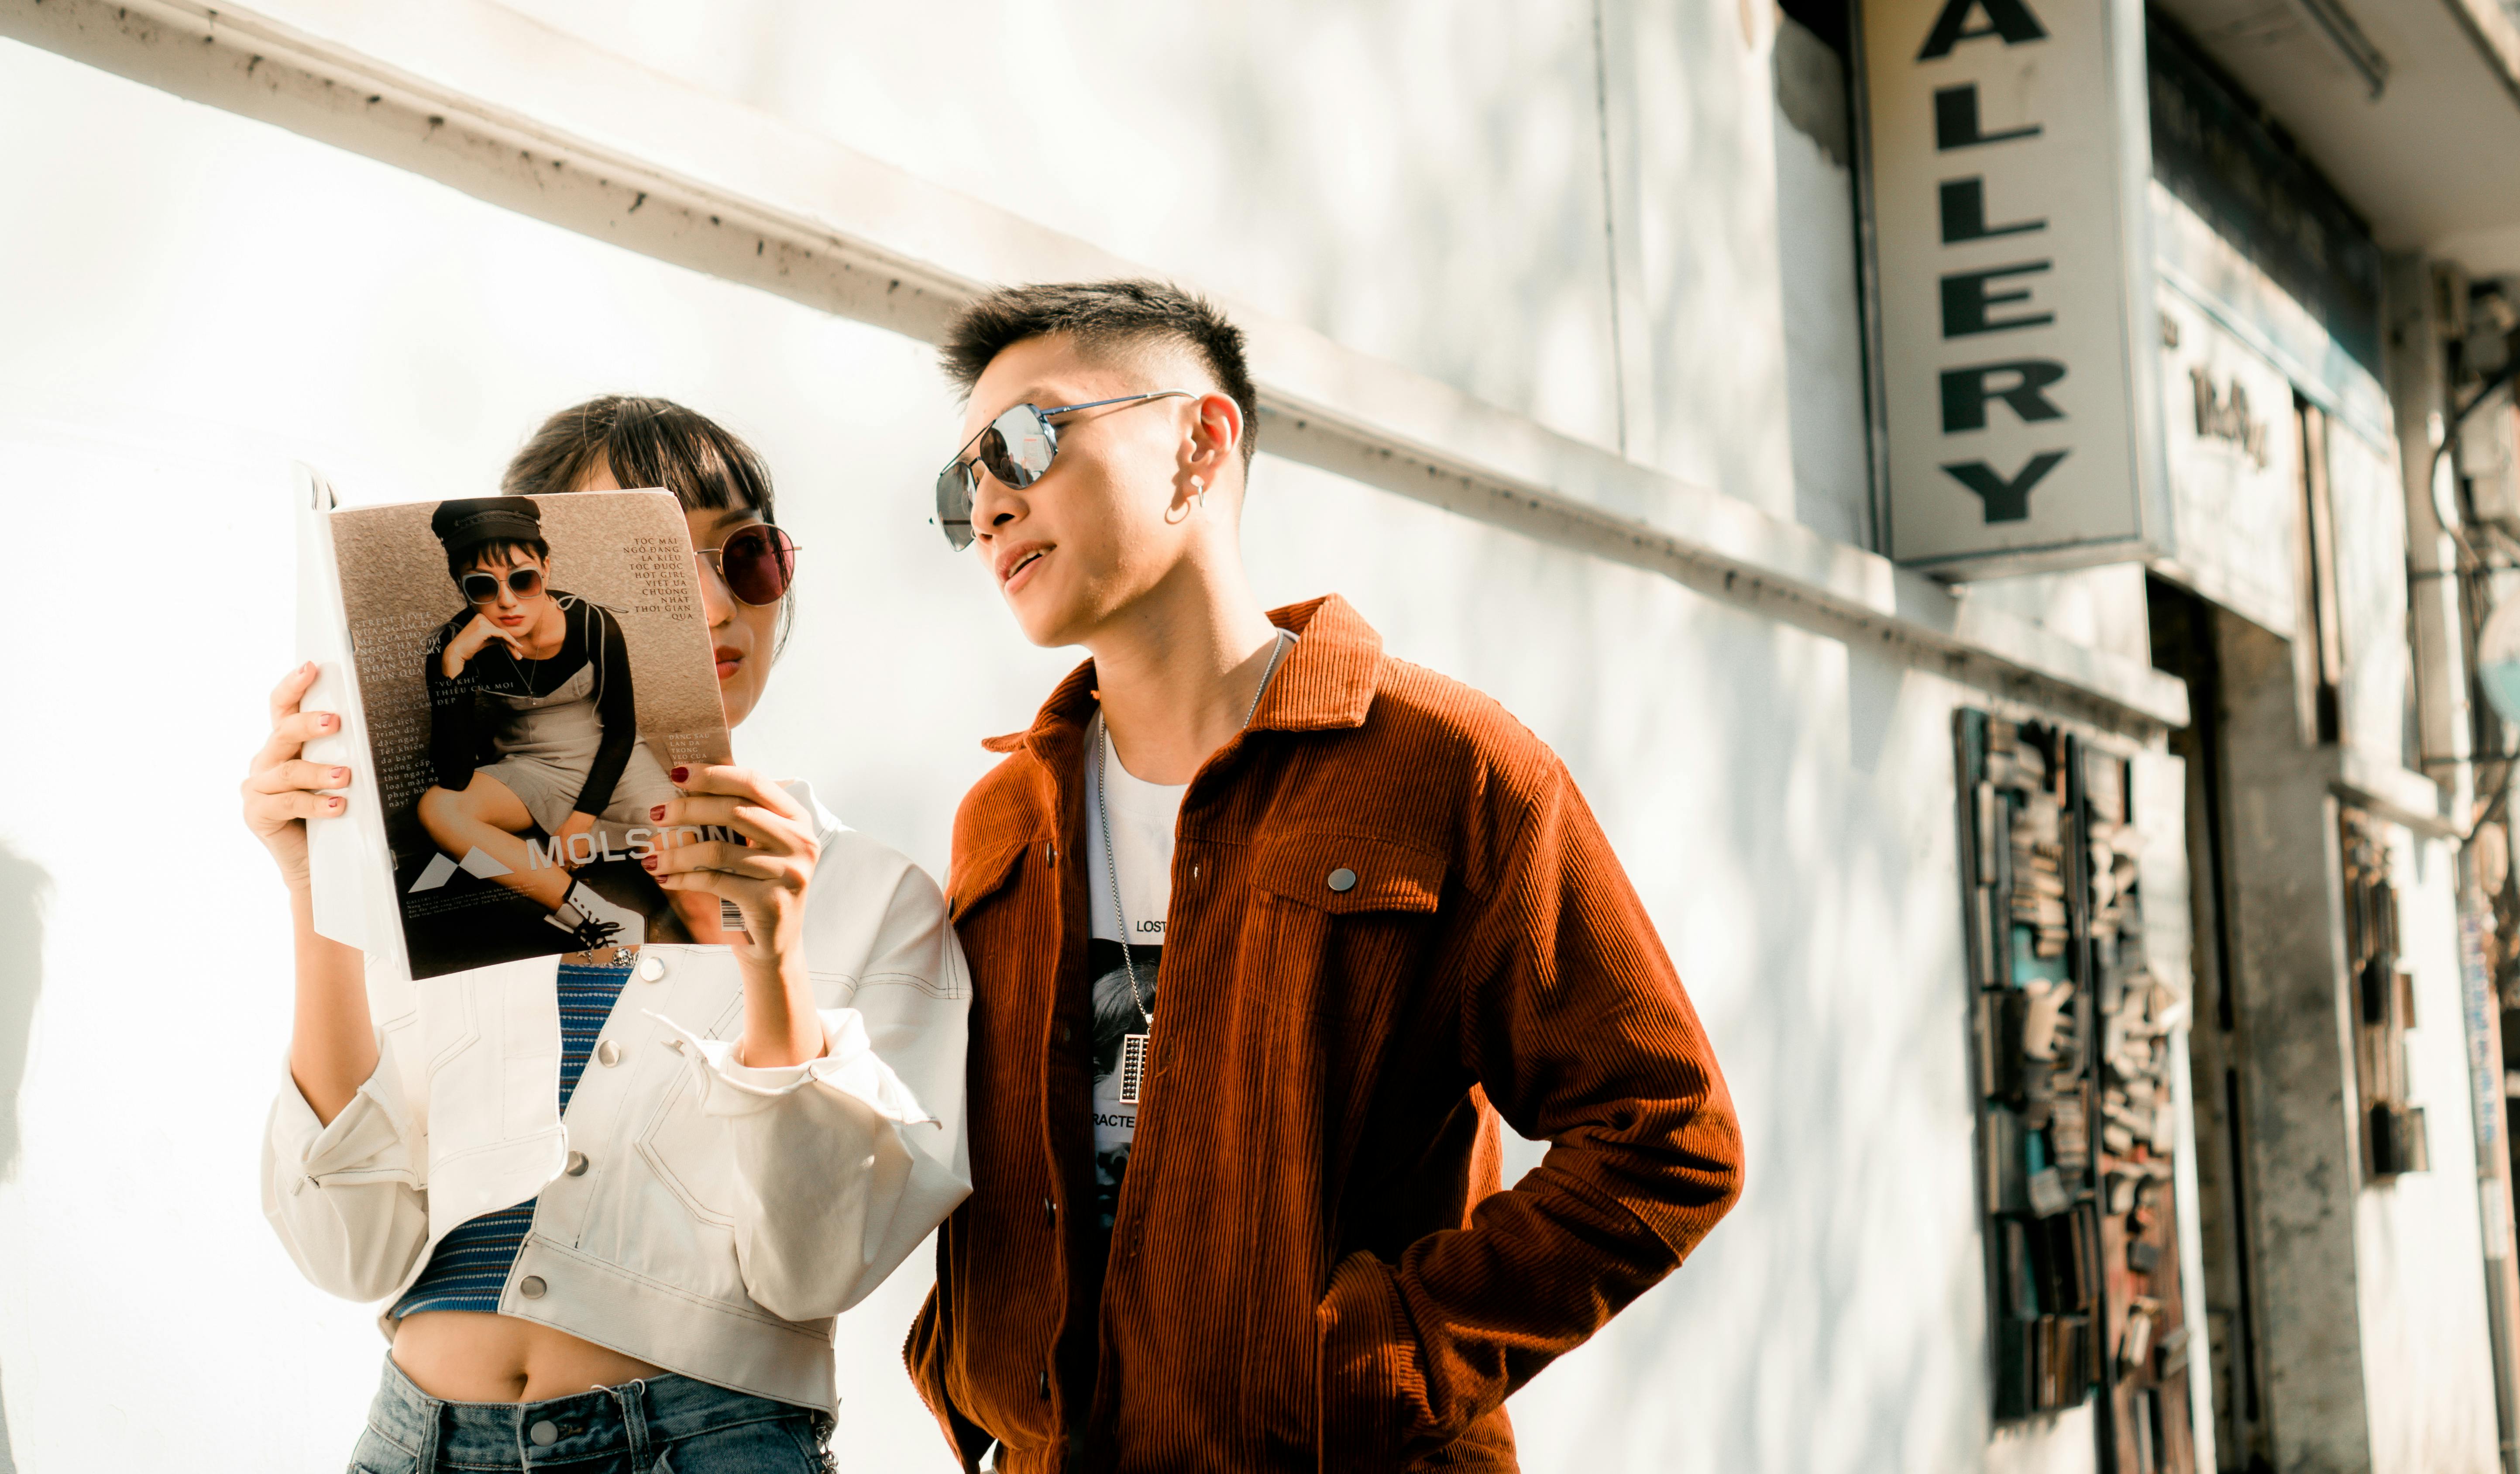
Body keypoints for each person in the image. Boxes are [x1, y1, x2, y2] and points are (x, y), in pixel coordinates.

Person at [908, 281, 1744, 1471]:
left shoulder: (1444, 766)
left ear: (1201, 444)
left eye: (1024, 441)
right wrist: (971, 1362)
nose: (988, 503)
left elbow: (1667, 1135)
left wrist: (1382, 1360)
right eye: (960, 485)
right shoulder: (1005, 817)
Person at [243, 396, 970, 1474]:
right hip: (410, 1439)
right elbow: (349, 1247)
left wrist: (769, 960)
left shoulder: (874, 896)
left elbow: (811, 1272)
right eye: (660, 565)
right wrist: (318, 893)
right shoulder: (448, 861)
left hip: (699, 1445)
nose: (718, 602)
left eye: (750, 556)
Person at [415, 495, 677, 949]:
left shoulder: (593, 624)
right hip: (531, 768)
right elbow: (454, 774)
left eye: (523, 580)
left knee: (688, 875)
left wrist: (579, 823)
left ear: (547, 569)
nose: (506, 602)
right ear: (461, 585)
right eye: (482, 587)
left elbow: (621, 732)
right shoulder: (453, 644)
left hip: (613, 762)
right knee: (438, 808)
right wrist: (453, 664)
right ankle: (595, 917)